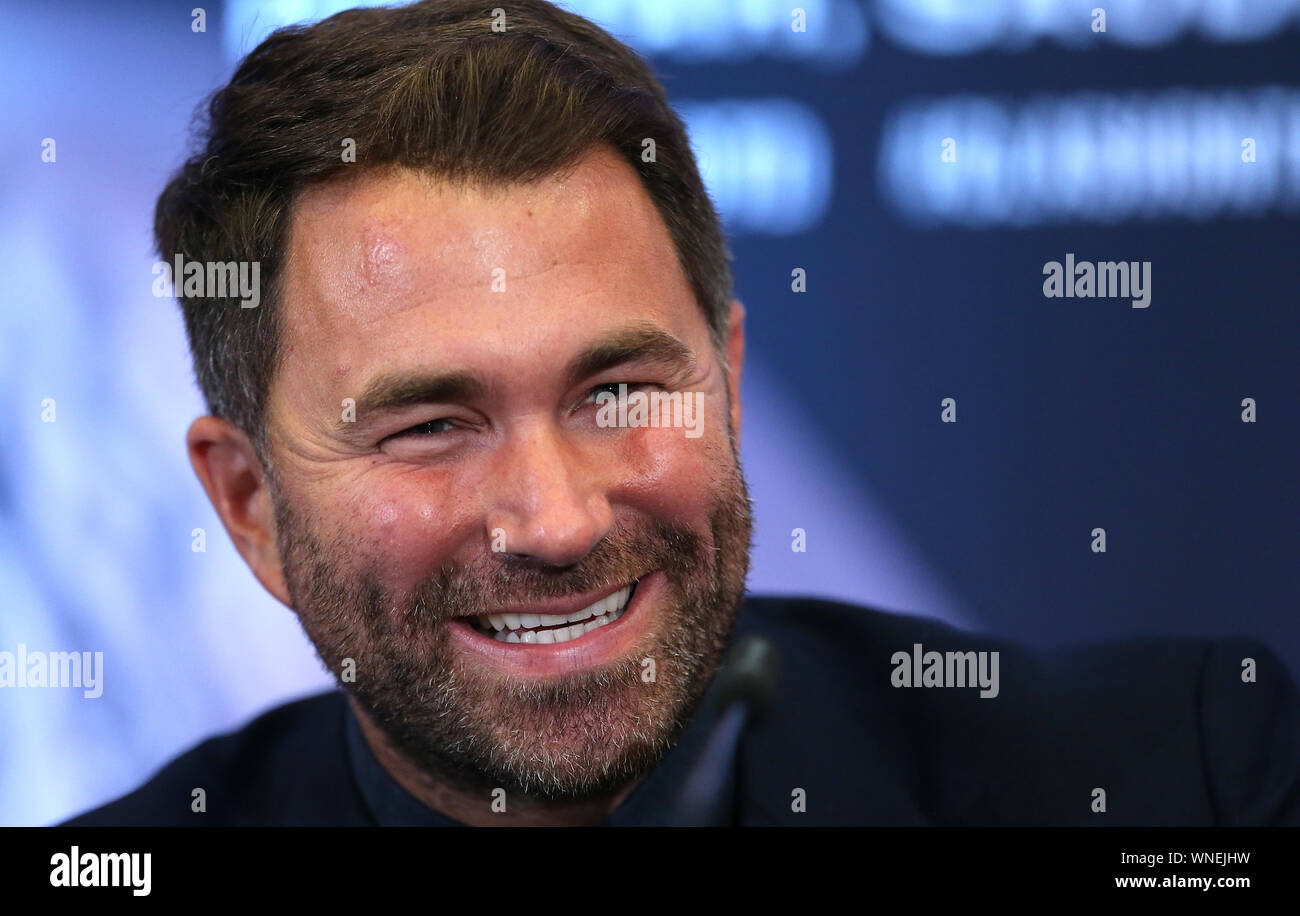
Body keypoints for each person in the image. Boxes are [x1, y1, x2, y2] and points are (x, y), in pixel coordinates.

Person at [64, 0, 1300, 827]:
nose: (553, 519)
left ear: (730, 382)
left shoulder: (1171, 786)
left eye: (618, 391)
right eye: (430, 424)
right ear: (249, 503)